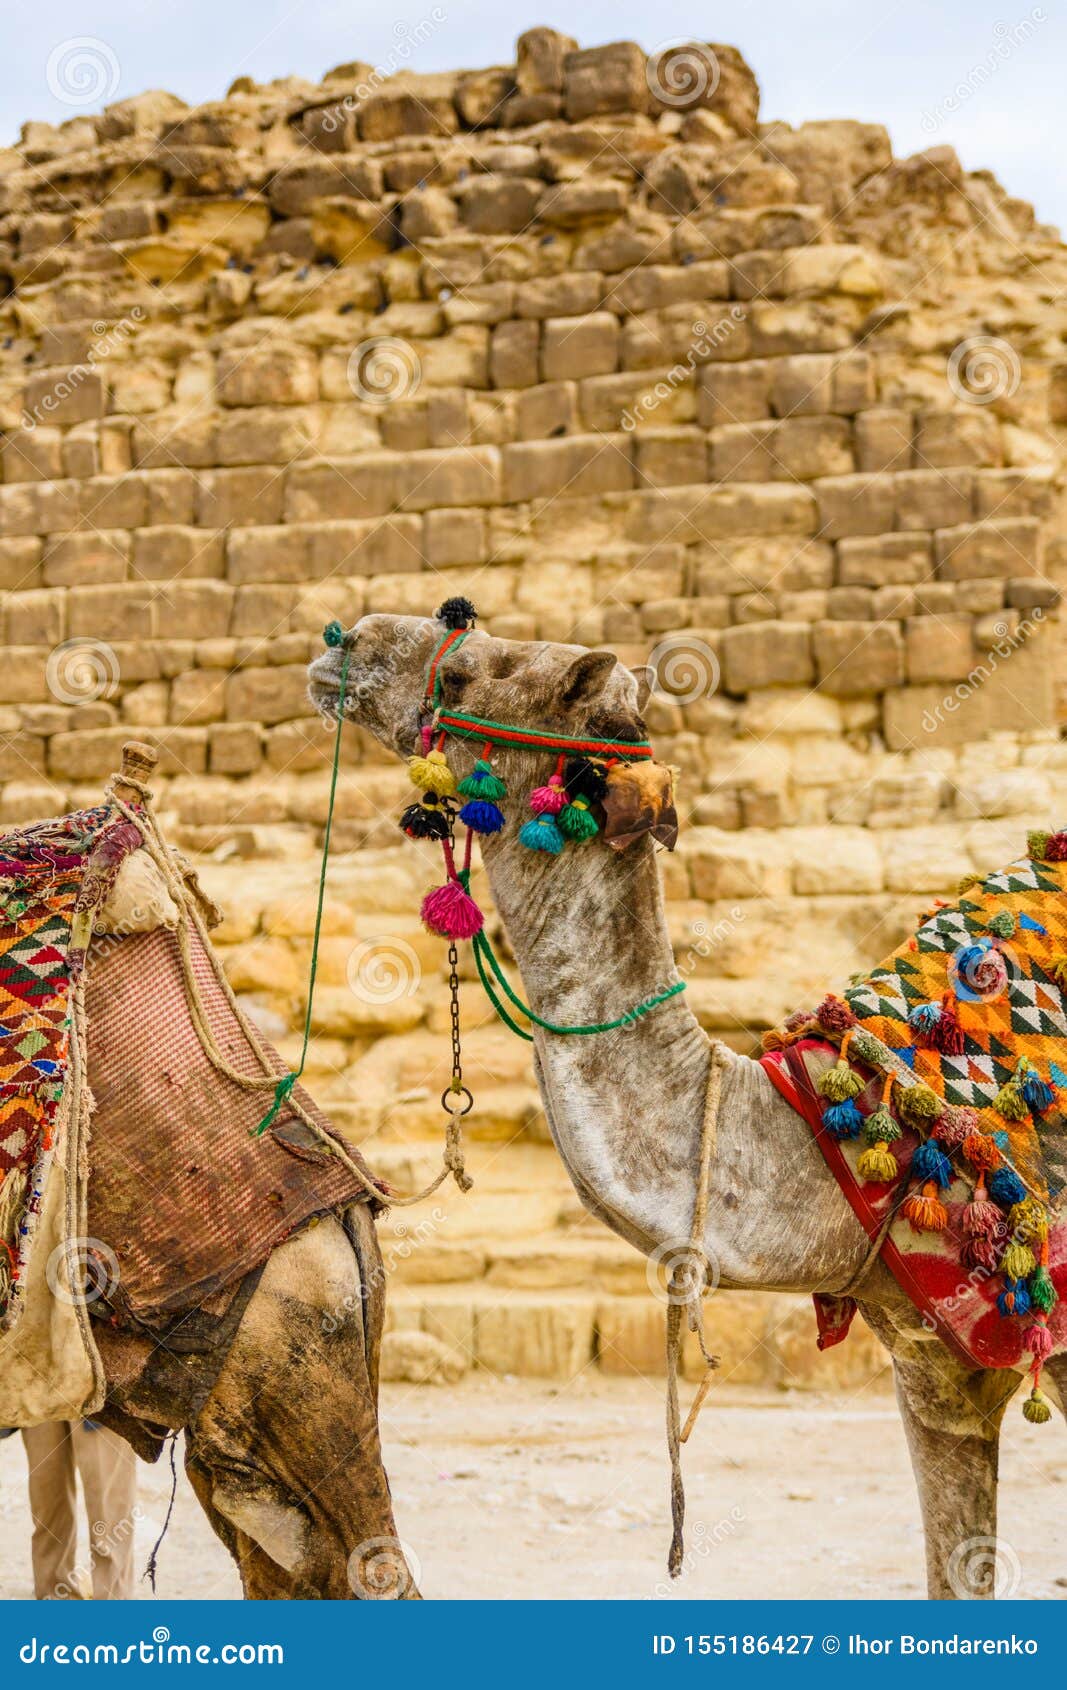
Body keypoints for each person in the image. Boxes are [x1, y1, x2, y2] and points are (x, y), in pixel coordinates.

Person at [19, 1420, 139, 1600]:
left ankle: (113, 1607)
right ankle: (55, 1601)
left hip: (104, 1399)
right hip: (39, 1396)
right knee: (47, 1501)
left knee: (108, 1512)